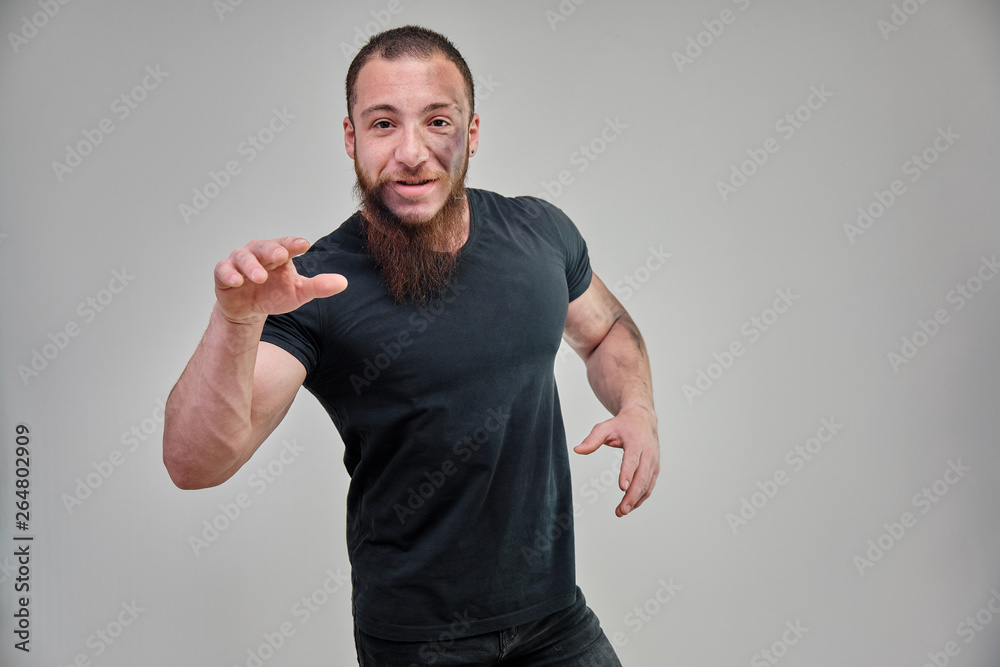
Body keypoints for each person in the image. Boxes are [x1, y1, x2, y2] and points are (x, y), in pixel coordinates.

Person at [163, 25, 659, 666]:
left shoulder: (539, 233)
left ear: (471, 134)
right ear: (351, 139)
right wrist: (235, 322)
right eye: (383, 124)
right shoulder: (313, 286)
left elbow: (607, 330)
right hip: (418, 642)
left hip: (555, 619)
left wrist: (637, 407)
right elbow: (195, 463)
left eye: (437, 122)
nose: (412, 152)